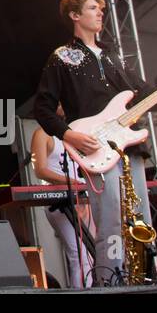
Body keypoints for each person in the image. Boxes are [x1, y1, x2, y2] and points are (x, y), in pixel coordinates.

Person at [33, 0, 157, 284]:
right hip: (96, 148)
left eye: (101, 8)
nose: (100, 12)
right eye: (92, 8)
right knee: (111, 220)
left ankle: (143, 280)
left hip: (129, 147)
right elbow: (43, 108)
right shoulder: (62, 57)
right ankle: (110, 285)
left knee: (140, 218)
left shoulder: (114, 57)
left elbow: (146, 97)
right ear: (74, 15)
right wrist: (69, 135)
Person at [30, 107, 95, 288]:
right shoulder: (42, 133)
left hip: (84, 197)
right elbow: (40, 170)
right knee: (79, 256)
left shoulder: (77, 132)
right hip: (61, 201)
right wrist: (73, 182)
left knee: (92, 254)